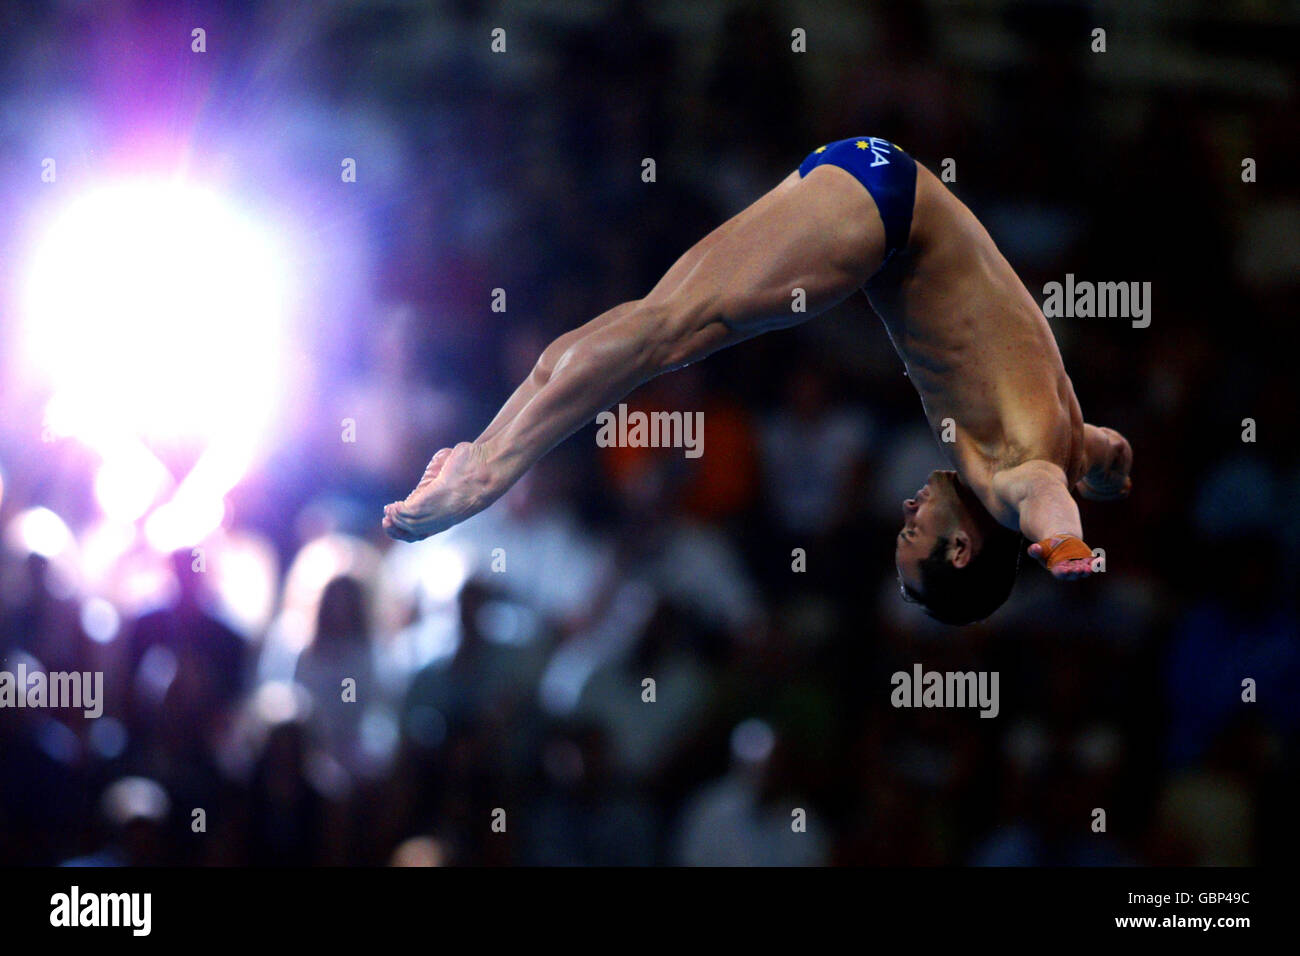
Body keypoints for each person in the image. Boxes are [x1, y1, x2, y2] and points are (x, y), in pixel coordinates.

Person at [383, 136, 1133, 625]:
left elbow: (1100, 455)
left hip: (876, 193)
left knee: (664, 323)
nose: (906, 506)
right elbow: (1042, 493)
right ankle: (486, 472)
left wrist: (1108, 474)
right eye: (914, 530)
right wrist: (1065, 547)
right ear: (964, 549)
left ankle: (488, 450)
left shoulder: (1060, 443)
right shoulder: (1009, 475)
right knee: (665, 335)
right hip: (883, 216)